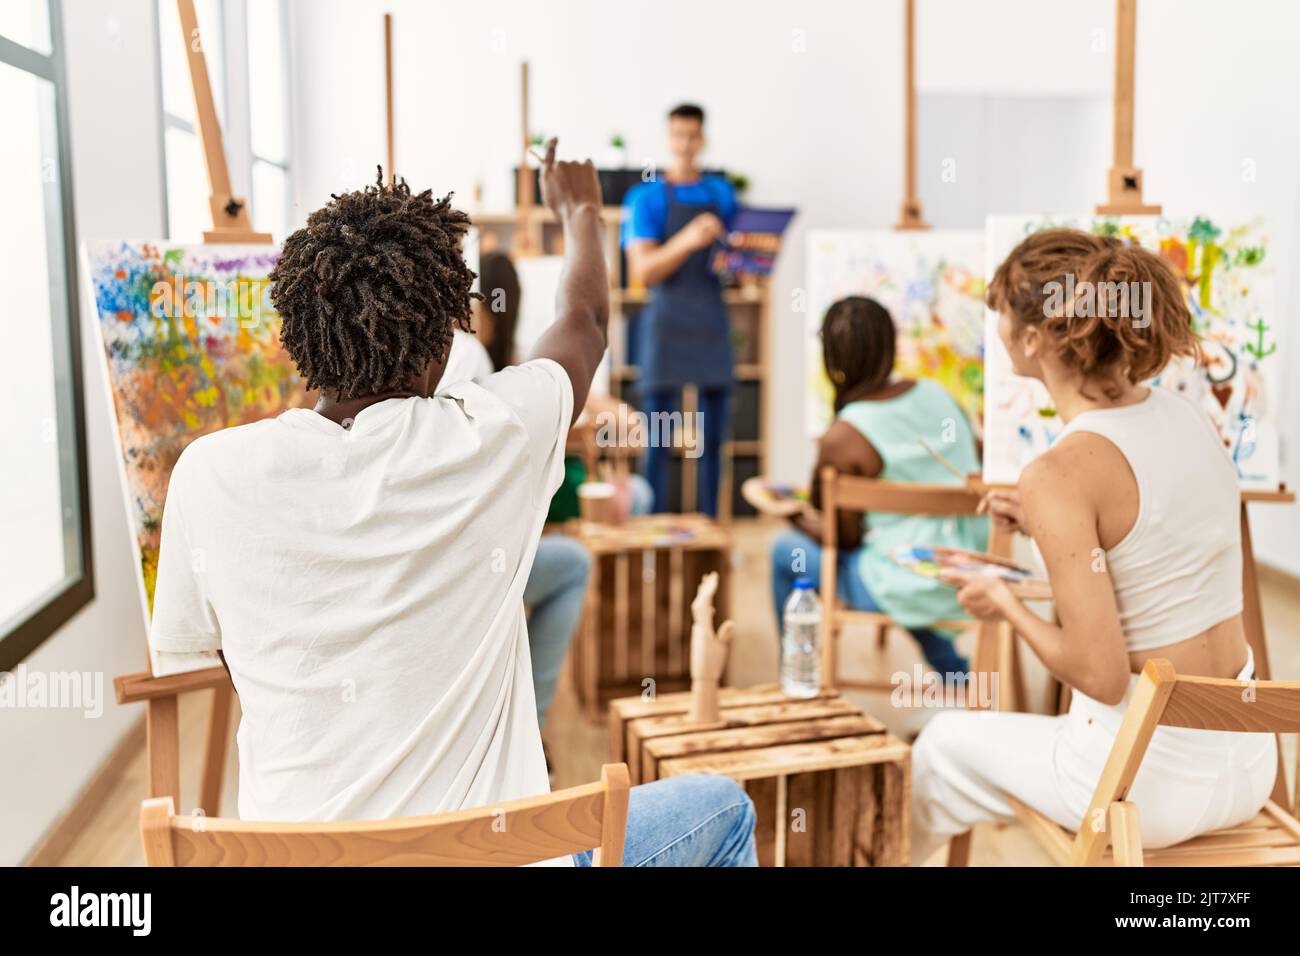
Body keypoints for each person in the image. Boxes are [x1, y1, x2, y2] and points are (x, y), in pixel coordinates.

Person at [148, 145, 755, 866]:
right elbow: (586, 321)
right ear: (441, 348)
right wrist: (581, 210)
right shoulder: (494, 435)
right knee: (726, 807)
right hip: (501, 858)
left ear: (297, 341)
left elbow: (218, 656)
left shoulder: (207, 474)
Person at [909, 229, 1276, 862]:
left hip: (1143, 787)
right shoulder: (1188, 418)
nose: (995, 322)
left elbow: (1101, 677)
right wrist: (1045, 523)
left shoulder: (1058, 473)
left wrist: (1003, 601)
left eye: (1002, 309)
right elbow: (1153, 547)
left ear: (1032, 339)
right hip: (1249, 765)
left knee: (940, 747)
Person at [771, 296, 985, 676]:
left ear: (831, 359)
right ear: (891, 346)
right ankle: (953, 670)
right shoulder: (940, 397)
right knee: (905, 556)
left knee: (785, 551)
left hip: (897, 583)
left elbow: (844, 538)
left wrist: (795, 517)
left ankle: (798, 672)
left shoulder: (845, 434)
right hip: (968, 573)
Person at [622, 103, 736, 517]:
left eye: (692, 135)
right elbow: (644, 271)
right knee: (658, 440)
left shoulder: (722, 195)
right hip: (666, 326)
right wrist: (688, 240)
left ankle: (711, 532)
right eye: (678, 135)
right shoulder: (645, 199)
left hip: (711, 321)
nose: (685, 144)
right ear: (668, 139)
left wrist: (747, 262)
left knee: (712, 442)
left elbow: (735, 262)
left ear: (702, 139)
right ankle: (653, 534)